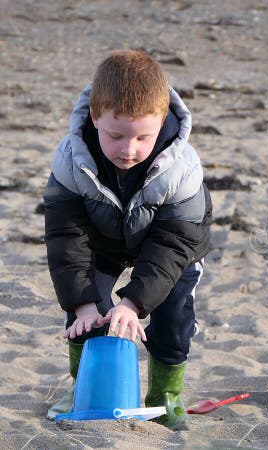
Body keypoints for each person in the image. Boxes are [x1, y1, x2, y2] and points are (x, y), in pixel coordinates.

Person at [43, 50, 212, 429]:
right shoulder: (72, 161)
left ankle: (165, 396)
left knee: (174, 317)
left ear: (163, 119)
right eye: (115, 135)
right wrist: (84, 304)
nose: (129, 149)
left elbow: (173, 245)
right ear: (94, 117)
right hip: (101, 242)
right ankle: (85, 388)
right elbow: (65, 238)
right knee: (87, 312)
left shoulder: (181, 169)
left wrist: (134, 303)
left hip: (170, 247)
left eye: (143, 137)